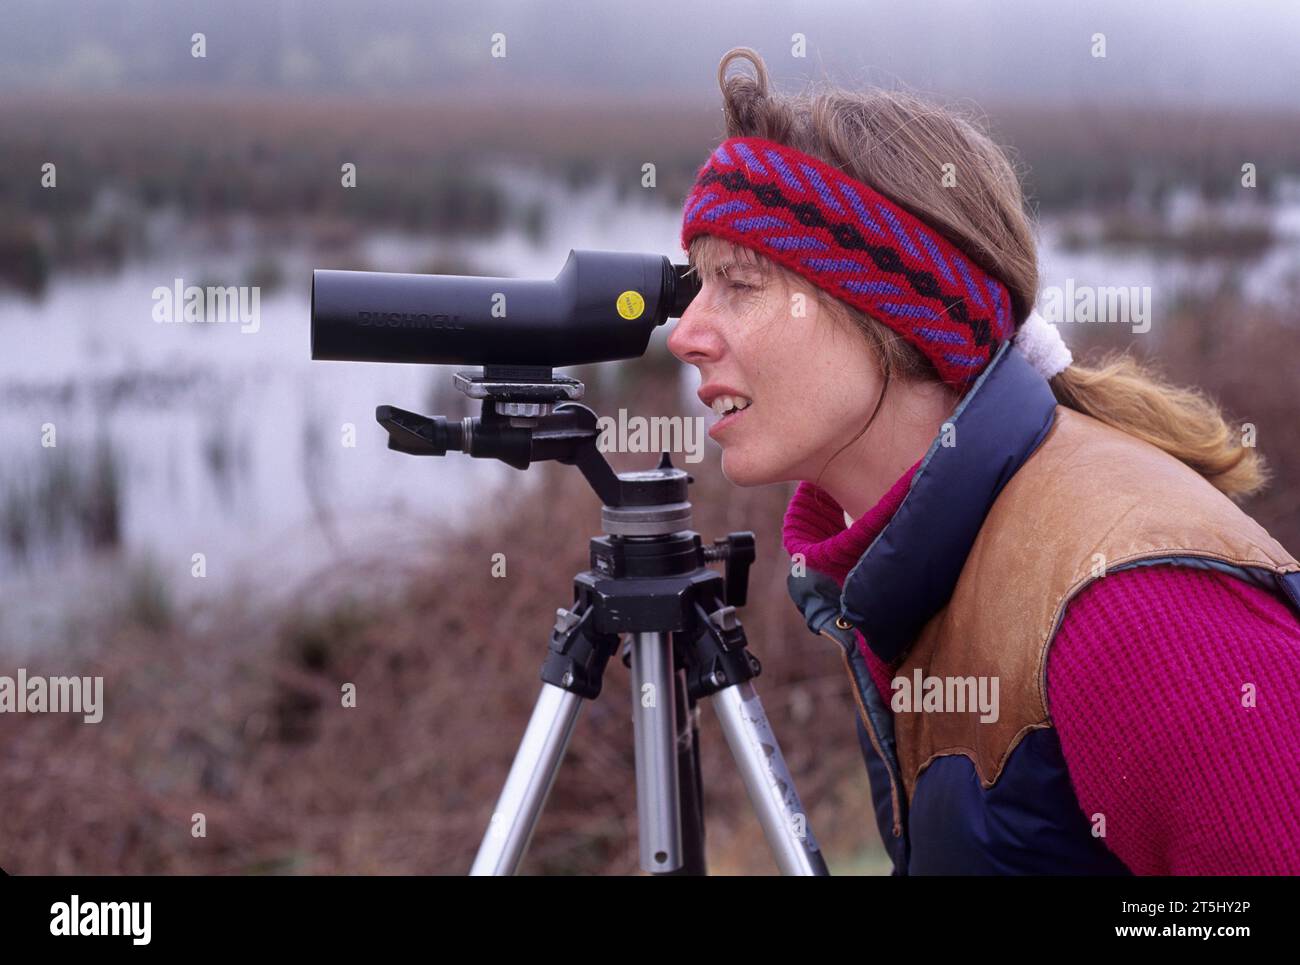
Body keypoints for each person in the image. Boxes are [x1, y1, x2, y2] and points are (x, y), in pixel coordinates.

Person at [667, 47, 1300, 875]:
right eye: (696, 286)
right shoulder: (915, 560)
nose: (685, 334)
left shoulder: (1136, 605)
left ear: (891, 311)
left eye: (739, 286)